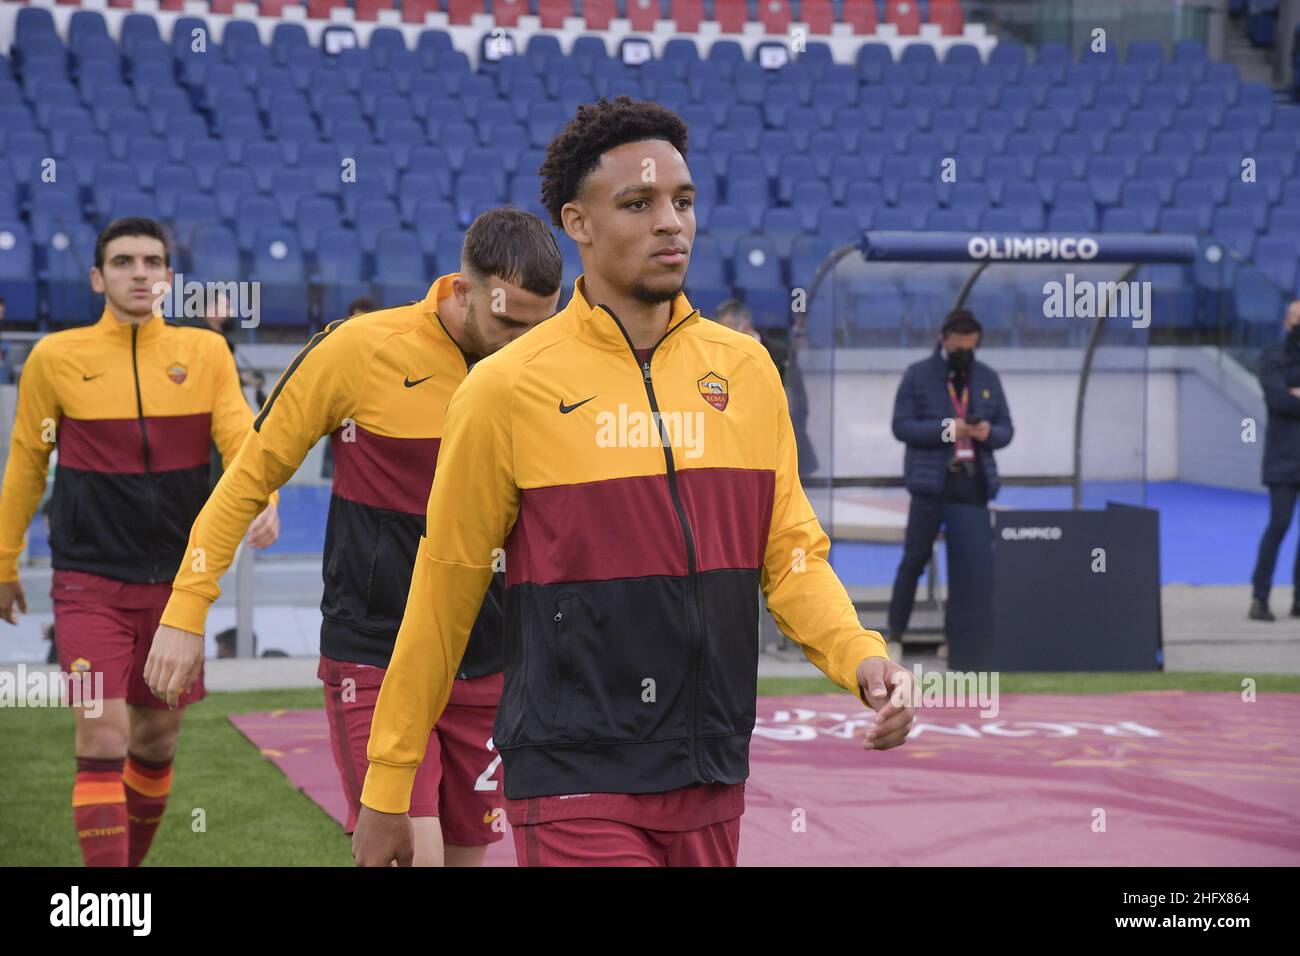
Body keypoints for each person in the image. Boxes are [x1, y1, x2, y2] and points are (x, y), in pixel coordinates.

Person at [352, 97, 914, 869]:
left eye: (682, 201)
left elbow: (790, 559)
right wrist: (387, 784)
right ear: (576, 223)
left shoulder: (747, 371)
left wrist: (862, 658)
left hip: (711, 767)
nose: (670, 223)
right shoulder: (504, 388)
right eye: (639, 203)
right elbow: (443, 593)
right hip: (573, 768)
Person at [145, 207, 563, 866]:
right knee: (408, 855)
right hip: (374, 651)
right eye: (509, 322)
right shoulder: (359, 349)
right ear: (461, 290)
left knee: (463, 858)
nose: (524, 344)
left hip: (490, 659)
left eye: (539, 327)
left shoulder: (550, 369)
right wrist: (186, 606)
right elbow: (247, 479)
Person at [0, 217, 279, 867]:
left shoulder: (208, 353)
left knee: (154, 740)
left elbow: (242, 438)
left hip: (179, 583)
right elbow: (26, 465)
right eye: (123, 262)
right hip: (87, 578)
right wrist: (5, 559)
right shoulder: (54, 359)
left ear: (169, 279)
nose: (139, 273)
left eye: (152, 262)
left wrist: (264, 496)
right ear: (99, 278)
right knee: (102, 732)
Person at [887, 309, 1014, 654]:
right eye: (959, 348)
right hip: (931, 485)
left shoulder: (986, 377)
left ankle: (956, 638)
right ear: (944, 339)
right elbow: (901, 426)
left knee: (969, 563)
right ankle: (894, 635)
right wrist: (947, 429)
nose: (965, 355)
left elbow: (1006, 429)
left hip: (972, 484)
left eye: (971, 349)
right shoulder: (918, 374)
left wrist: (987, 432)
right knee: (914, 558)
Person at [1249, 299, 1300, 621]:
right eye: (1297, 319)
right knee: (1279, 525)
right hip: (1282, 460)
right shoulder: (1271, 358)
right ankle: (1260, 596)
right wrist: (1290, 395)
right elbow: (1278, 399)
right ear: (1286, 322)